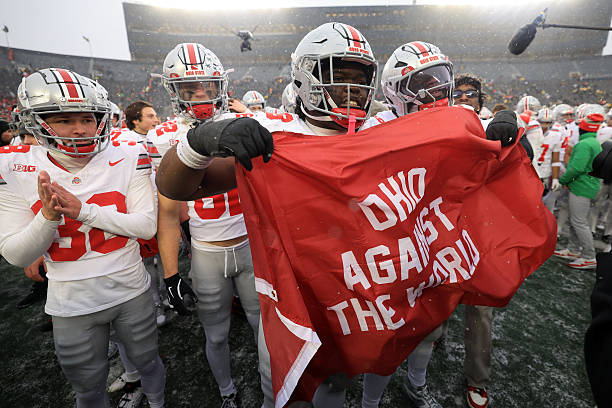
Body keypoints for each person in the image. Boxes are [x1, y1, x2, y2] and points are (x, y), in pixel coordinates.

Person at [155, 23, 550, 408]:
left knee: (335, 386)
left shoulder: (379, 131)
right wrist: (197, 143)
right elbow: (179, 187)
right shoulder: (276, 136)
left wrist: (499, 132)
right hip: (293, 300)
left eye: (360, 79)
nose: (353, 89)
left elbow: (452, 141)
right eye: (340, 76)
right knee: (283, 391)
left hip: (352, 297)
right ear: (306, 77)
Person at [0, 68, 165, 407]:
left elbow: (146, 226)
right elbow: (16, 255)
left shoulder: (128, 153)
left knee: (149, 362)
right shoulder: (15, 166)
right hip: (71, 303)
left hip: (130, 288)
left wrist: (82, 211)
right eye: (64, 120)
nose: (80, 129)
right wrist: (48, 218)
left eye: (87, 118)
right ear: (35, 121)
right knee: (87, 389)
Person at [150, 42, 260, 408]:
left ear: (220, 85)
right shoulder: (164, 136)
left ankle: (272, 385)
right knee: (216, 336)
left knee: (264, 326)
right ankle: (227, 392)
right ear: (174, 91)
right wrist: (170, 274)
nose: (201, 94)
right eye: (190, 88)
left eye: (208, 86)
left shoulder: (243, 122)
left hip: (250, 245)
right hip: (206, 252)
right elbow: (168, 212)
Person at [358, 40, 454, 408]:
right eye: (424, 83)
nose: (437, 90)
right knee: (389, 335)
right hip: (391, 244)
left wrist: (505, 129)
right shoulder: (376, 128)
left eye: (440, 79)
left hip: (435, 238)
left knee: (430, 328)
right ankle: (370, 402)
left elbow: (491, 138)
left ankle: (416, 385)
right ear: (396, 91)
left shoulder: (455, 120)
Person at [554, 111, 605, 269]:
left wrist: (563, 180)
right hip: (588, 185)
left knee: (579, 222)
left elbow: (576, 168)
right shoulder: (594, 142)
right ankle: (574, 249)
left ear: (583, 129)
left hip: (582, 187)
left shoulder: (584, 144)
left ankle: (589, 256)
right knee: (576, 220)